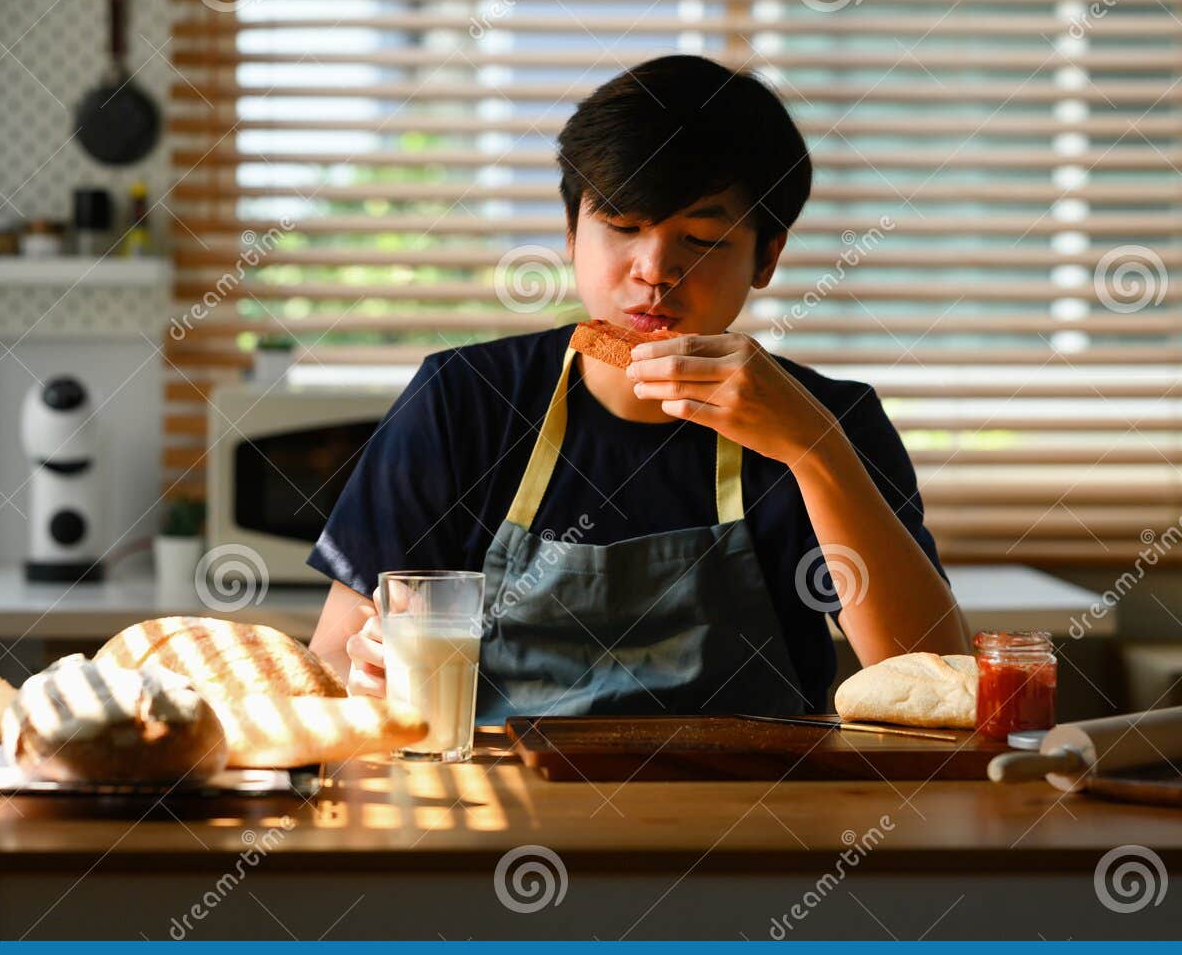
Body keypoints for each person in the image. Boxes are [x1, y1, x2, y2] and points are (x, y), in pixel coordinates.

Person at [304, 55, 966, 720]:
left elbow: (937, 679)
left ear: (767, 255)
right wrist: (366, 673)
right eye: (623, 228)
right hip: (502, 806)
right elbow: (332, 661)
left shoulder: (831, 418)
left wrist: (813, 450)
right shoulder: (463, 399)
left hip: (757, 813)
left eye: (703, 238)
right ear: (570, 235)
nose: (655, 270)